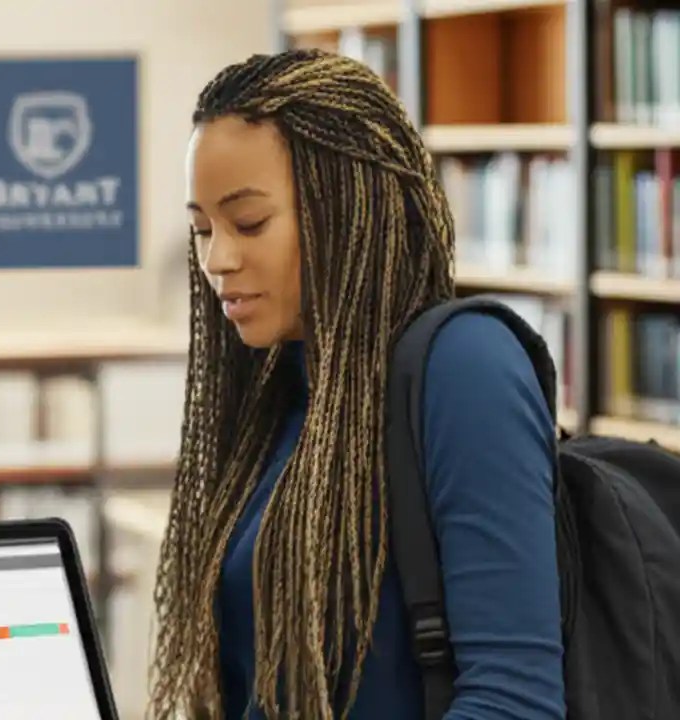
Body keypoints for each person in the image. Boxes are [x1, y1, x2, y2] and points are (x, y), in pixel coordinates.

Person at [149, 50, 565, 719]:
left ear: (345, 202)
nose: (216, 260)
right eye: (201, 229)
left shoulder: (466, 366)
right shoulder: (276, 390)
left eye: (249, 222)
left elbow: (515, 701)